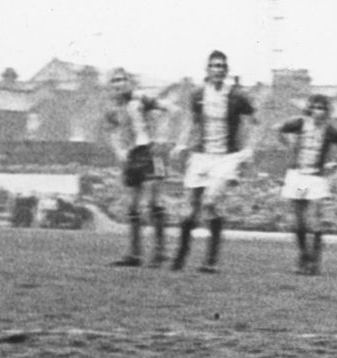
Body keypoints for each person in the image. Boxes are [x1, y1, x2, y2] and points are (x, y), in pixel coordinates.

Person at [169, 51, 255, 273]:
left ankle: (211, 260)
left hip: (226, 158)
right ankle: (180, 256)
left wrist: (249, 148)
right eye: (214, 66)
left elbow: (256, 121)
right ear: (207, 70)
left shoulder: (237, 96)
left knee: (209, 203)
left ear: (226, 71)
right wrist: (181, 144)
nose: (217, 70)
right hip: (200, 156)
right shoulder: (198, 94)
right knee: (189, 211)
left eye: (221, 66)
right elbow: (191, 122)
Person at [278, 94, 337, 274]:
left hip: (315, 179)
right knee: (299, 221)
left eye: (323, 109)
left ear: (327, 112)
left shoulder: (331, 131)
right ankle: (304, 256)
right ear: (310, 109)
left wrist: (334, 165)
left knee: (314, 220)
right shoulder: (299, 124)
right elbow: (280, 130)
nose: (319, 112)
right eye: (316, 108)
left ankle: (314, 262)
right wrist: (289, 144)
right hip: (299, 177)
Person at [104, 68, 168, 268]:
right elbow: (112, 132)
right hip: (131, 156)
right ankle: (134, 255)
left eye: (122, 80)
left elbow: (166, 110)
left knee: (153, 203)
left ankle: (159, 253)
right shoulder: (112, 109)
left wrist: (160, 138)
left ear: (129, 82)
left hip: (148, 153)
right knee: (132, 206)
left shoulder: (140, 99)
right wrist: (119, 152)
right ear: (111, 85)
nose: (119, 83)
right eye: (115, 80)